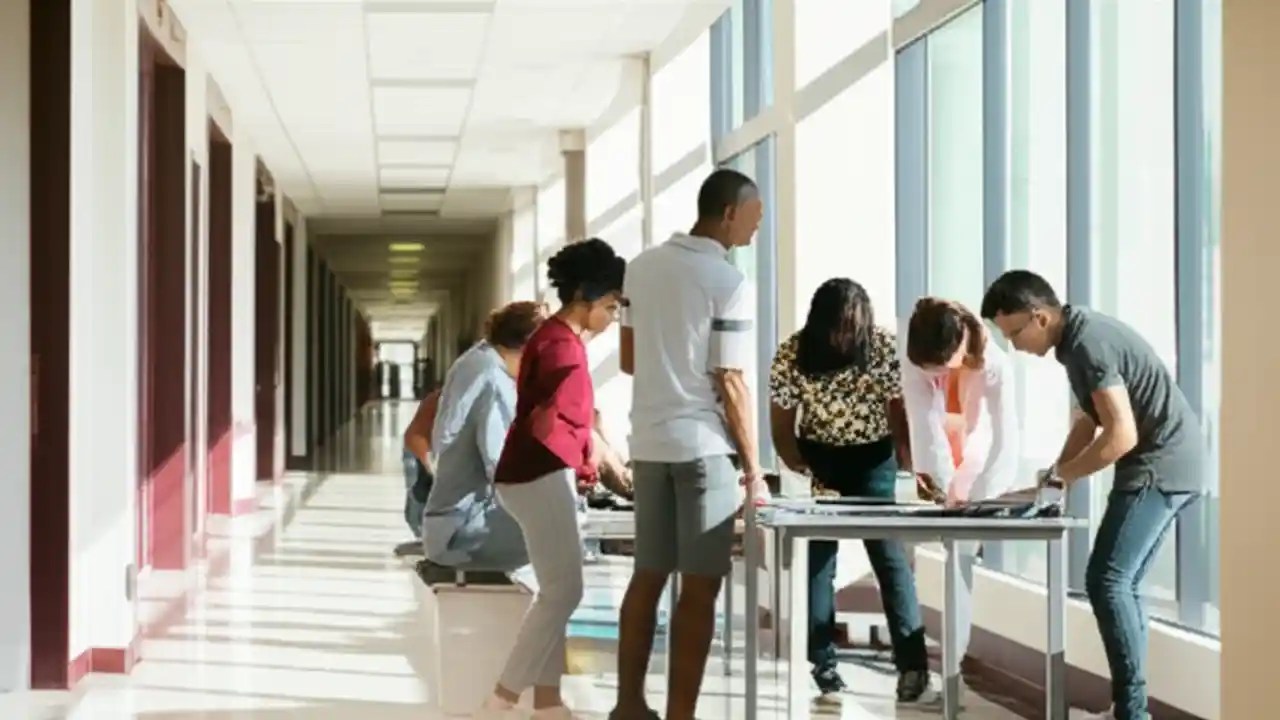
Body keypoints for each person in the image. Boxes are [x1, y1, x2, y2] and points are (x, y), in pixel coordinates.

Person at [980, 270, 1204, 720]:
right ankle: (1130, 707)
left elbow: (1120, 435)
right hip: (1173, 462)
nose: (1013, 347)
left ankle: (1132, 712)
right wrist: (1053, 480)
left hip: (1159, 464)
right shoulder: (1076, 337)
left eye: (1014, 333)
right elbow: (1088, 423)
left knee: (1106, 581)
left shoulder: (1087, 344)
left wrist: (1064, 476)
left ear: (1039, 317)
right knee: (1122, 585)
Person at [611, 168, 767, 720]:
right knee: (700, 590)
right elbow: (730, 379)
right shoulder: (728, 281)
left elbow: (630, 360)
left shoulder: (642, 268)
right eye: (754, 216)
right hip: (702, 450)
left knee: (647, 576)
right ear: (728, 213)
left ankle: (628, 705)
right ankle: (681, 715)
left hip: (649, 445)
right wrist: (754, 469)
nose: (757, 227)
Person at [480, 239, 627, 720]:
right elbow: (554, 423)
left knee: (555, 590)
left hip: (527, 473)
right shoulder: (564, 347)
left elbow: (565, 417)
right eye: (609, 307)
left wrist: (585, 453)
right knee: (566, 591)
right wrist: (592, 461)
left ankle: (547, 702)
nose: (612, 318)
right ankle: (502, 698)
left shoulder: (550, 338)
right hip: (537, 476)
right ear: (584, 297)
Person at [768, 278, 930, 701]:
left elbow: (899, 417)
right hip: (817, 456)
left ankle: (912, 666)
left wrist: (911, 471)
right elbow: (782, 426)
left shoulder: (882, 349)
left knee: (890, 558)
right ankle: (823, 664)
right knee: (819, 563)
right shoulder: (792, 353)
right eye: (838, 327)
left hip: (873, 459)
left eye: (854, 328)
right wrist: (801, 471)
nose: (846, 337)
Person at [901, 296, 1019, 666]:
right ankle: (949, 667)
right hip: (945, 453)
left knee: (961, 559)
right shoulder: (913, 354)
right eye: (929, 370)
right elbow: (922, 422)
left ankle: (954, 667)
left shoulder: (995, 363)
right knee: (948, 558)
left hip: (977, 456)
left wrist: (982, 499)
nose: (935, 376)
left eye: (941, 368)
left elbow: (1005, 437)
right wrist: (936, 482)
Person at [417, 301, 546, 577]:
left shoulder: (476, 359)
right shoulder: (493, 381)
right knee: (568, 529)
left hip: (448, 523)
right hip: (463, 531)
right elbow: (503, 469)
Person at [396, 388, 442, 556]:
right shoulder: (438, 400)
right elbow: (414, 437)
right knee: (420, 495)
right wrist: (433, 467)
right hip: (422, 450)